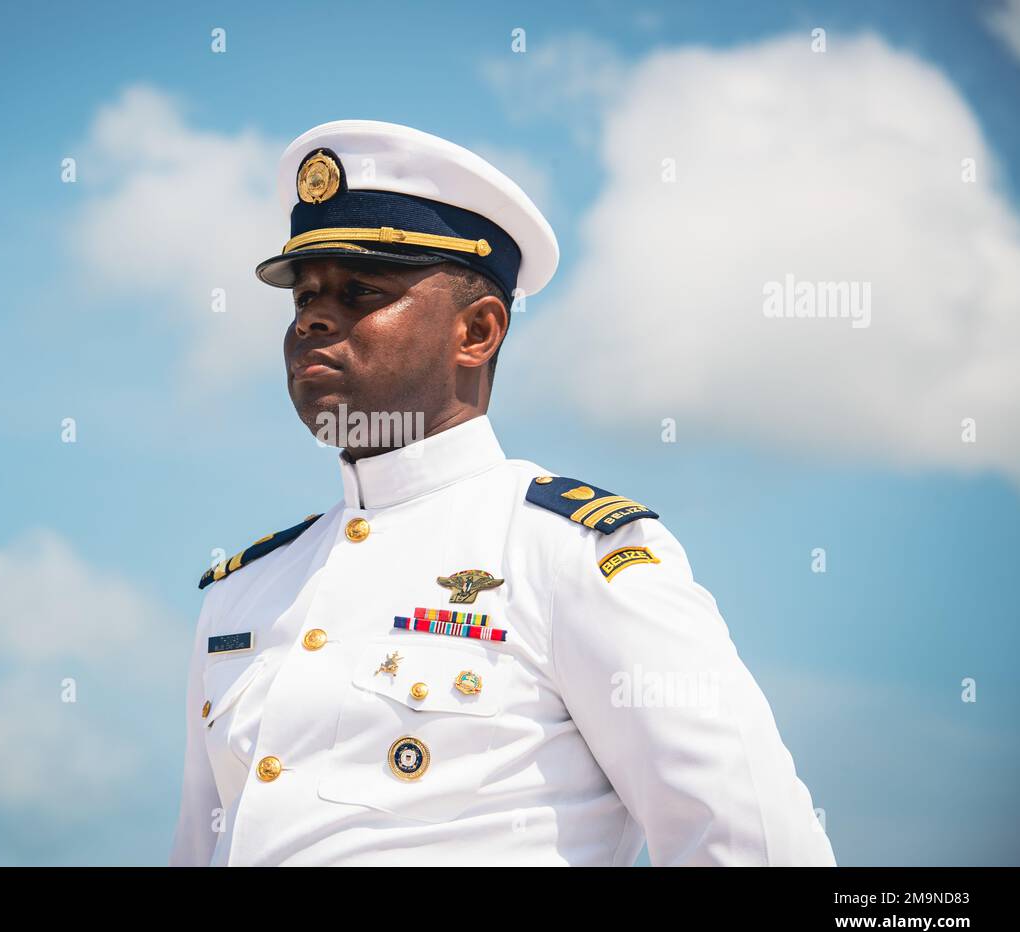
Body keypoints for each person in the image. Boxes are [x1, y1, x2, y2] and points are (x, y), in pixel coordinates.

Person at [170, 119, 836, 866]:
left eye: (360, 290)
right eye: (304, 297)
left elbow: (757, 844)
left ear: (477, 332)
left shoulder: (573, 555)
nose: (313, 319)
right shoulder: (244, 594)